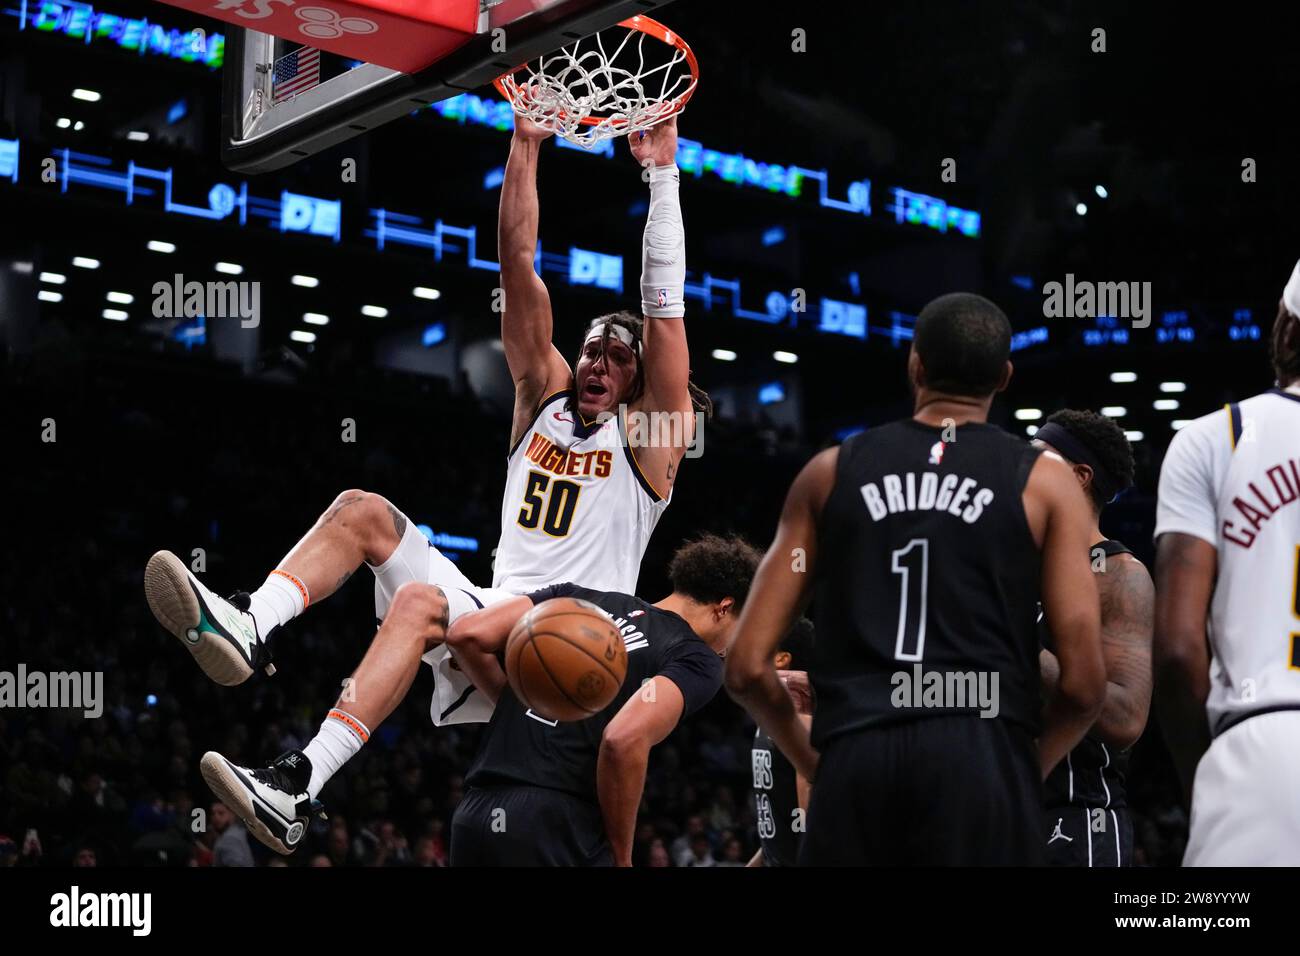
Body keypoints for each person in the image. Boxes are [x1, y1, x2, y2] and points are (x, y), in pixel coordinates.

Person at [143, 116, 704, 854]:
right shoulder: (543, 394)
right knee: (363, 513)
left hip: (575, 646)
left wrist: (661, 176)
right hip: (501, 616)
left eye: (618, 358)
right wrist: (526, 145)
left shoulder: (651, 441)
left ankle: (297, 768)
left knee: (425, 599)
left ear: (637, 383)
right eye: (592, 348)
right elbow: (516, 263)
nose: (599, 362)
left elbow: (664, 311)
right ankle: (276, 714)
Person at [725, 291, 1106, 866]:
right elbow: (1083, 689)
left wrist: (815, 763)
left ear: (915, 364)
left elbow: (746, 667)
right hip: (983, 754)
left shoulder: (828, 474)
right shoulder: (1047, 484)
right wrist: (1022, 770)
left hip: (859, 752)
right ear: (1004, 376)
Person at [444, 534, 760, 866]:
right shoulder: (695, 658)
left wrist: (528, 699)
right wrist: (623, 857)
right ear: (724, 608)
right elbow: (623, 740)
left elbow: (465, 635)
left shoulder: (576, 597)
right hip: (556, 826)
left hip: (474, 814)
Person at [1153, 259, 1300, 865]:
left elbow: (1179, 651)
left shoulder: (1220, 435)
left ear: (1288, 331)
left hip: (1260, 741)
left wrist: (1204, 780)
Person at [1033, 410, 1153, 867]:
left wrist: (1020, 647)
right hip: (992, 807)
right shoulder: (1006, 568)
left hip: (1075, 814)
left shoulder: (1120, 574)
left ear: (1079, 476)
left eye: (1038, 458)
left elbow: (1125, 719)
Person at [748, 618, 815, 867]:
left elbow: (810, 806)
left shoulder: (802, 718)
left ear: (781, 658)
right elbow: (778, 830)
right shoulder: (770, 716)